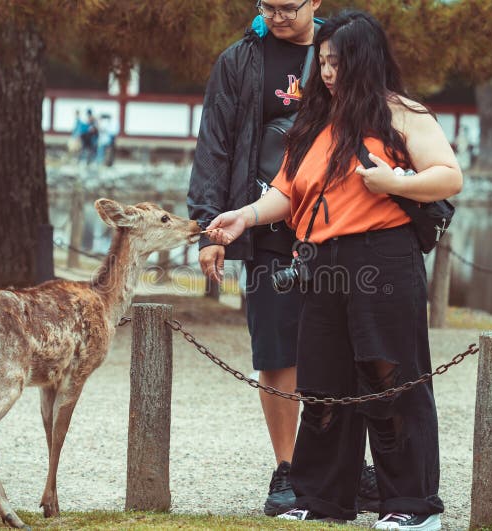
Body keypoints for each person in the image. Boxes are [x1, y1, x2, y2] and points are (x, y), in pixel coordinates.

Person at [205, 10, 462, 530]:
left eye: (337, 62)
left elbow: (448, 176)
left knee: (389, 377)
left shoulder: (402, 113)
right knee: (323, 385)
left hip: (384, 258)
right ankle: (323, 500)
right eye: (321, 61)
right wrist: (243, 217)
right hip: (321, 261)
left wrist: (394, 184)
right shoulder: (314, 122)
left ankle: (411, 507)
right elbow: (286, 191)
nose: (326, 72)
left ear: (363, 60)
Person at [188, 0, 380, 517]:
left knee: (348, 349)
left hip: (340, 225)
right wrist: (210, 227)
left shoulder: (342, 49)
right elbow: (215, 145)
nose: (276, 15)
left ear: (314, 1)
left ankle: (344, 467)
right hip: (268, 223)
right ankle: (288, 468)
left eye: (288, 6)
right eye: (266, 5)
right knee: (276, 353)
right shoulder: (240, 61)